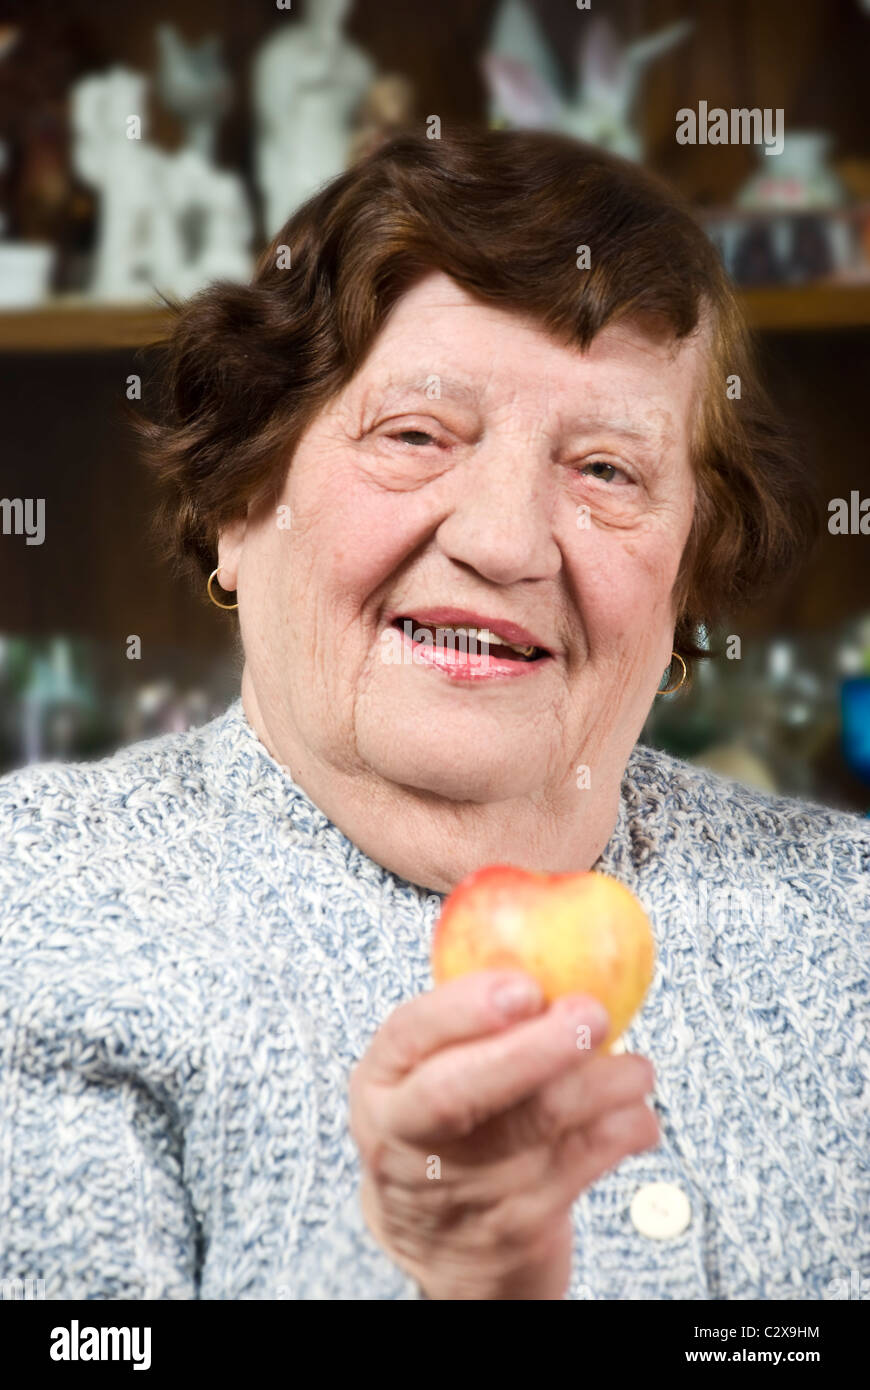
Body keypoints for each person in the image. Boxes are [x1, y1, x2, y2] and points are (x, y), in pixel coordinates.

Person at [0, 128, 866, 1301]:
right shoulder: (40, 902)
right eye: (415, 435)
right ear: (241, 504)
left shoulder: (847, 912)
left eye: (608, 469)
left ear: (686, 582)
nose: (505, 540)